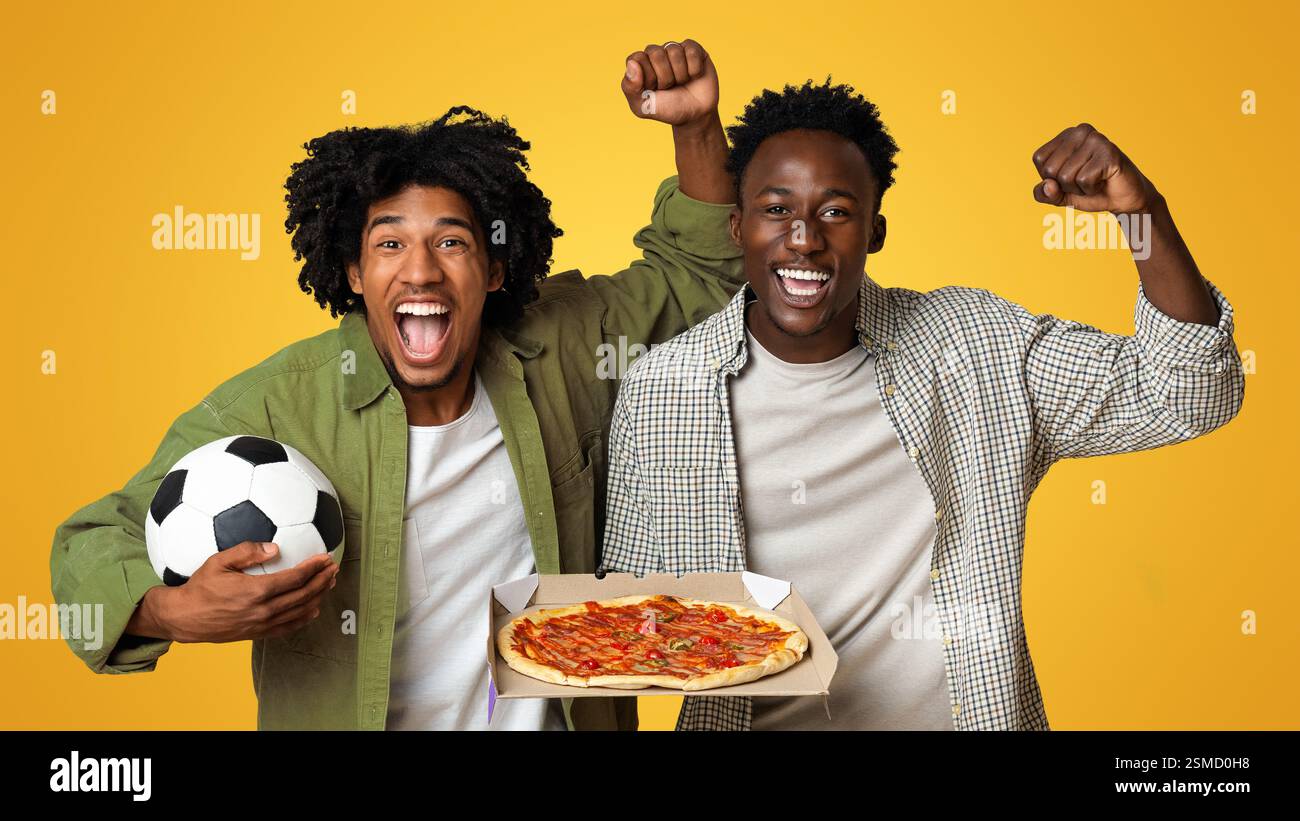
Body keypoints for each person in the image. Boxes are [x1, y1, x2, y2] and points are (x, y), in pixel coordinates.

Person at [50, 39, 741, 731]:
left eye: (451, 241)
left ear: (494, 270)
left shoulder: (562, 350)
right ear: (354, 273)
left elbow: (700, 273)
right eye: (389, 244)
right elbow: (89, 542)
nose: (421, 270)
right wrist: (174, 611)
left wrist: (696, 126)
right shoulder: (278, 407)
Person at [598, 79, 1245, 730]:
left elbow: (1191, 392)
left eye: (835, 212)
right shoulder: (662, 390)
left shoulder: (975, 347)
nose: (803, 238)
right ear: (738, 227)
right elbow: (625, 617)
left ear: (874, 231)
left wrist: (1143, 213)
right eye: (776, 208)